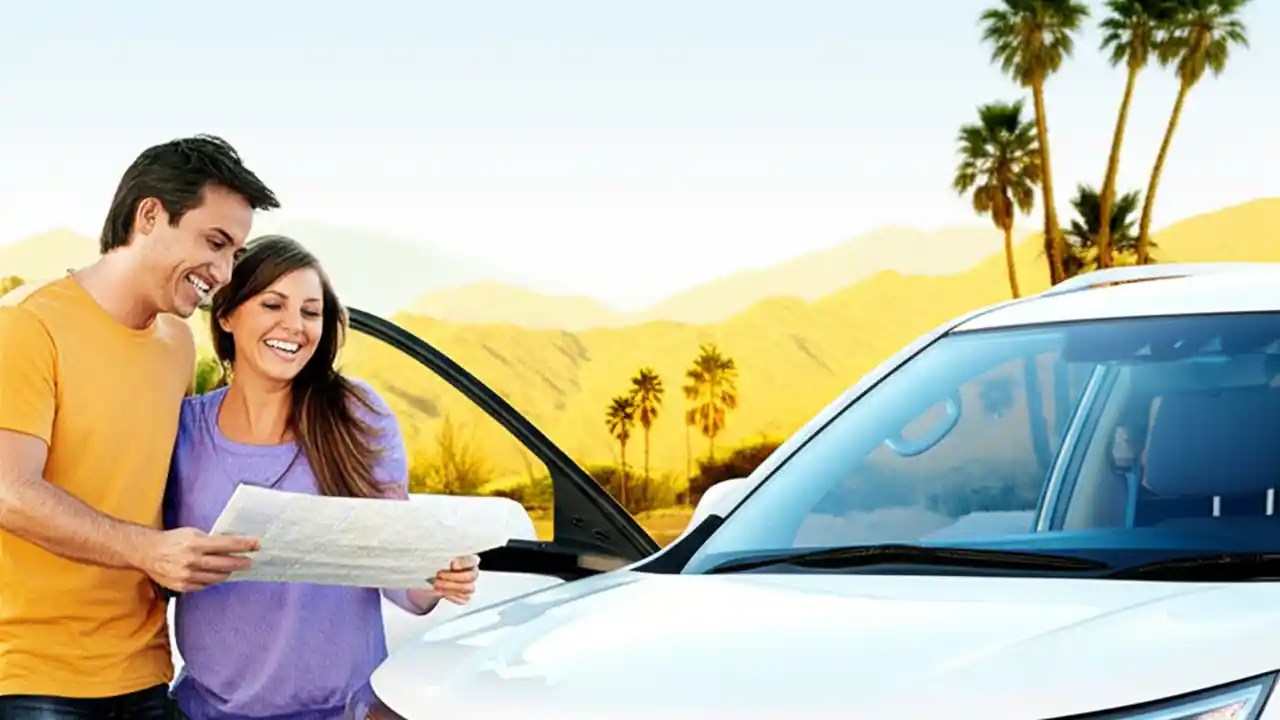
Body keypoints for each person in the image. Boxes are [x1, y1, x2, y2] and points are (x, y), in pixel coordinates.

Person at [0, 135, 279, 718]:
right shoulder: (28, 327)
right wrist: (148, 550)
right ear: (149, 215)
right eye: (215, 243)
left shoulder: (177, 343)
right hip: (32, 674)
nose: (224, 273)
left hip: (145, 668)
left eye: (234, 253)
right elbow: (9, 490)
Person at [164, 234, 481, 719]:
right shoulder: (185, 430)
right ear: (226, 314)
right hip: (207, 711)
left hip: (344, 710)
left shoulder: (358, 415)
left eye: (310, 312)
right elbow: (154, 568)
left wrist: (435, 576)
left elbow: (403, 582)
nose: (294, 325)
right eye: (273, 304)